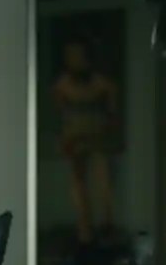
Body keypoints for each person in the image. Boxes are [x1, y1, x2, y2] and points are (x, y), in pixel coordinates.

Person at [51, 38, 120, 245]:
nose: (76, 61)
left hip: (98, 137)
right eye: (71, 57)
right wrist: (68, 137)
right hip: (74, 138)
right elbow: (60, 114)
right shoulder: (62, 86)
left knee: (103, 182)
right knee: (78, 185)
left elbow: (113, 113)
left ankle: (106, 225)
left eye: (79, 56)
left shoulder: (102, 84)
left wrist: (103, 132)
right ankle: (85, 230)